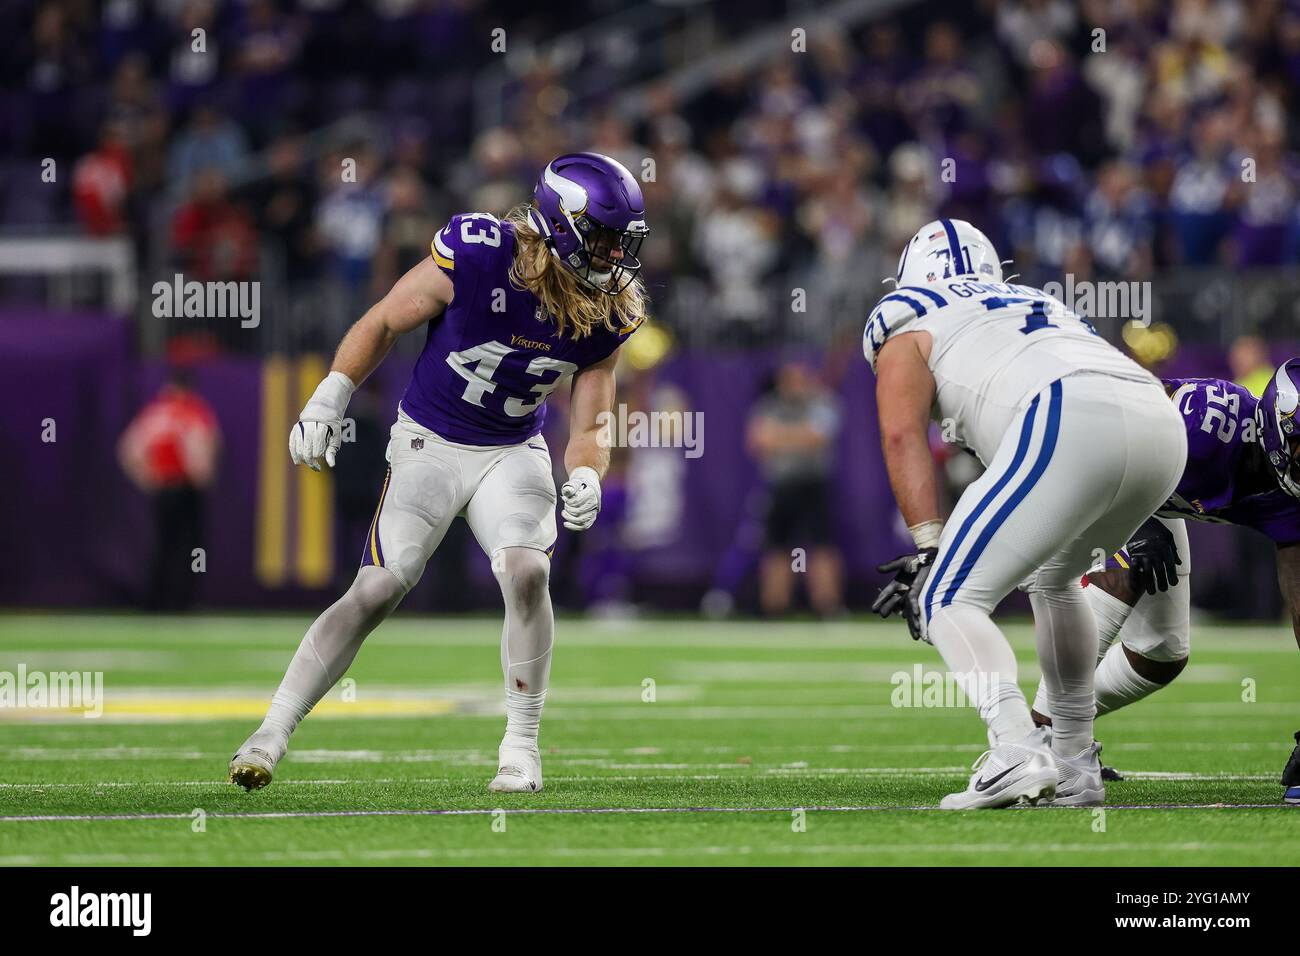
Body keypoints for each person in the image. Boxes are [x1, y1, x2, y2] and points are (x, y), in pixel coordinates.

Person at [229, 152, 649, 794]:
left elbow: (591, 421)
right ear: (562, 225)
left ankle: (521, 743)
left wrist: (588, 473)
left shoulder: (609, 308)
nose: (614, 256)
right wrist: (329, 396)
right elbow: (385, 319)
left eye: (623, 242)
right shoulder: (481, 254)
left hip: (512, 448)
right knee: (380, 586)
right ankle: (272, 728)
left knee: (528, 569)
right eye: (603, 239)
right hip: (429, 439)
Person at [868, 219, 1187, 808]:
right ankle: (1073, 761)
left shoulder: (906, 317)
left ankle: (1015, 745)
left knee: (945, 595)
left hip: (1068, 411)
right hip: (1161, 423)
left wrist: (928, 547)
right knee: (1055, 580)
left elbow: (900, 433)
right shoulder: (1035, 300)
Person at [1029, 361, 1300, 803]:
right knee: (1131, 562)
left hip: (1144, 496)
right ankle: (1040, 745)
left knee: (1160, 654)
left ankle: (1053, 725)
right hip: (1077, 467)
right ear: (1277, 427)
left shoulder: (1288, 499)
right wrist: (1137, 524)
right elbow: (1106, 431)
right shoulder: (1209, 423)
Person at [117, 368, 221, 610]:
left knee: (163, 544)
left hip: (163, 489)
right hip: (185, 488)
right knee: (190, 546)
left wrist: (147, 478)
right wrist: (202, 478)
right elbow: (201, 448)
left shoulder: (154, 414)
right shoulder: (193, 412)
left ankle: (157, 601)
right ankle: (183, 602)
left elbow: (128, 450)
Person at [746, 362, 844, 616]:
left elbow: (817, 438)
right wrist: (798, 436)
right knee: (776, 547)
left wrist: (779, 437)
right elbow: (758, 440)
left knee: (822, 546)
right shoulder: (769, 406)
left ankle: (827, 605)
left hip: (813, 485)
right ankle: (775, 606)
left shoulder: (821, 403)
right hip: (780, 486)